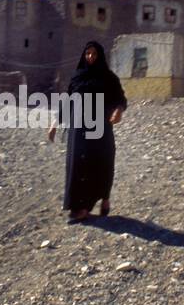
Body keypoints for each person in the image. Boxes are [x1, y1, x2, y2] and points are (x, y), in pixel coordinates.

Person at [47, 41, 127, 222]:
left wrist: (118, 110)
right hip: (77, 129)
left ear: (99, 56)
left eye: (94, 54)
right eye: (87, 54)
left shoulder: (109, 78)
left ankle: (104, 198)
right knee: (77, 165)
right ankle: (80, 207)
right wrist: (55, 123)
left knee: (102, 163)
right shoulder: (77, 77)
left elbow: (120, 98)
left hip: (100, 128)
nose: (90, 57)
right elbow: (67, 101)